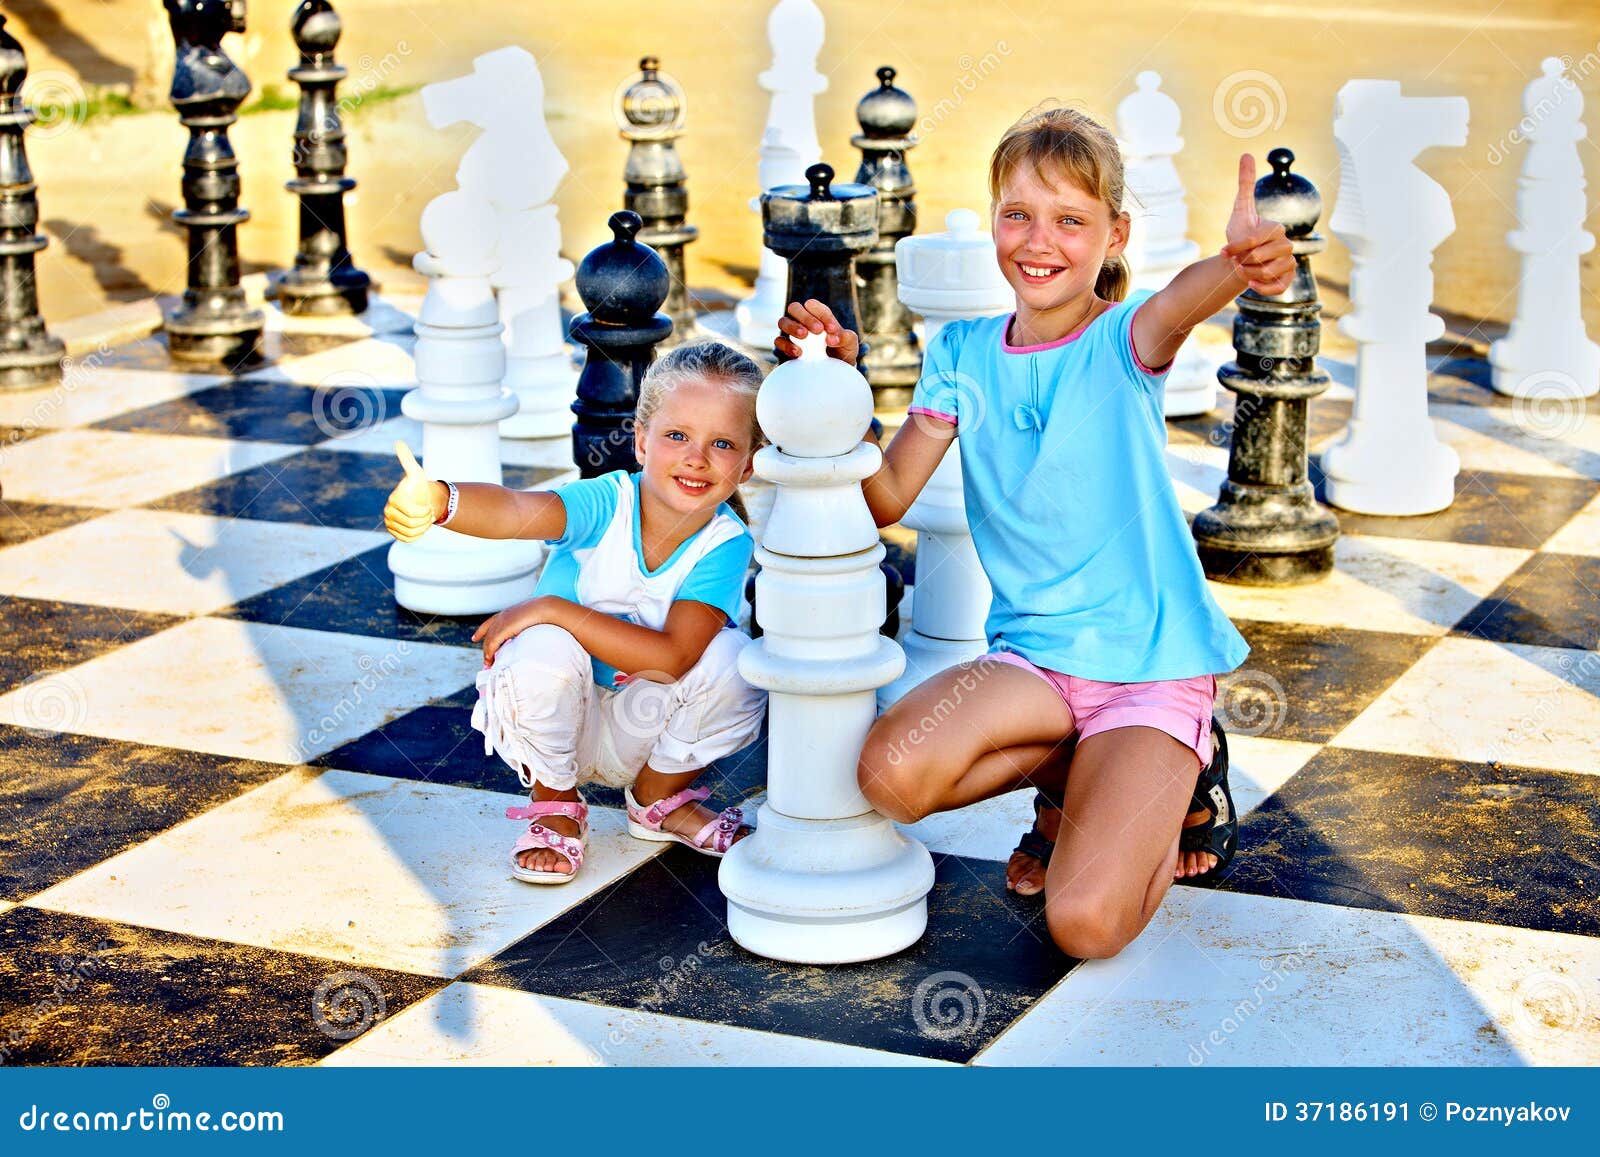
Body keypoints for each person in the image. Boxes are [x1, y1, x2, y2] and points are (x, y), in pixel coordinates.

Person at [775, 104, 1294, 958]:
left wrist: (1237, 266)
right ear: (993, 223)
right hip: (1037, 660)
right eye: (1017, 214)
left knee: (1084, 924)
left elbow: (1177, 304)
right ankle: (1073, 794)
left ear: (1113, 234)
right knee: (890, 776)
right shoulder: (960, 352)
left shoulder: (1126, 342)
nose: (1038, 240)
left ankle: (1175, 784)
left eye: (1071, 220)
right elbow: (886, 496)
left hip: (1148, 669)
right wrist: (838, 387)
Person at [381, 341, 768, 884]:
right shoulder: (606, 502)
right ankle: (557, 803)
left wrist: (553, 607)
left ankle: (658, 800)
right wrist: (441, 501)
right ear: (640, 441)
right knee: (538, 647)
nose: (696, 457)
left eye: (722, 443)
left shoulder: (727, 543)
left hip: (652, 731)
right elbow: (518, 509)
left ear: (748, 465)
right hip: (565, 724)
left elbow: (675, 657)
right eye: (676, 435)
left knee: (737, 661)